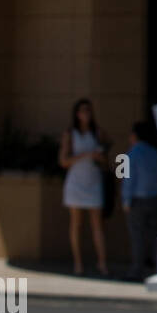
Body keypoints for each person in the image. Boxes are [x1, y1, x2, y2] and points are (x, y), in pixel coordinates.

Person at [59, 97, 110, 276]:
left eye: (88, 110)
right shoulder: (70, 134)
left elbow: (108, 159)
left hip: (93, 181)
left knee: (97, 224)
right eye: (82, 110)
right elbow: (63, 161)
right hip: (76, 181)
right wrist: (85, 155)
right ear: (76, 114)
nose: (85, 114)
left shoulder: (98, 132)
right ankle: (78, 263)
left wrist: (99, 157)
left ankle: (102, 263)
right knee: (77, 224)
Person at [122, 119, 157, 281]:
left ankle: (136, 270)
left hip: (137, 200)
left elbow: (126, 179)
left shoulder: (130, 155)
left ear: (134, 136)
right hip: (156, 199)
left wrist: (125, 200)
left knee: (137, 236)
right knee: (153, 235)